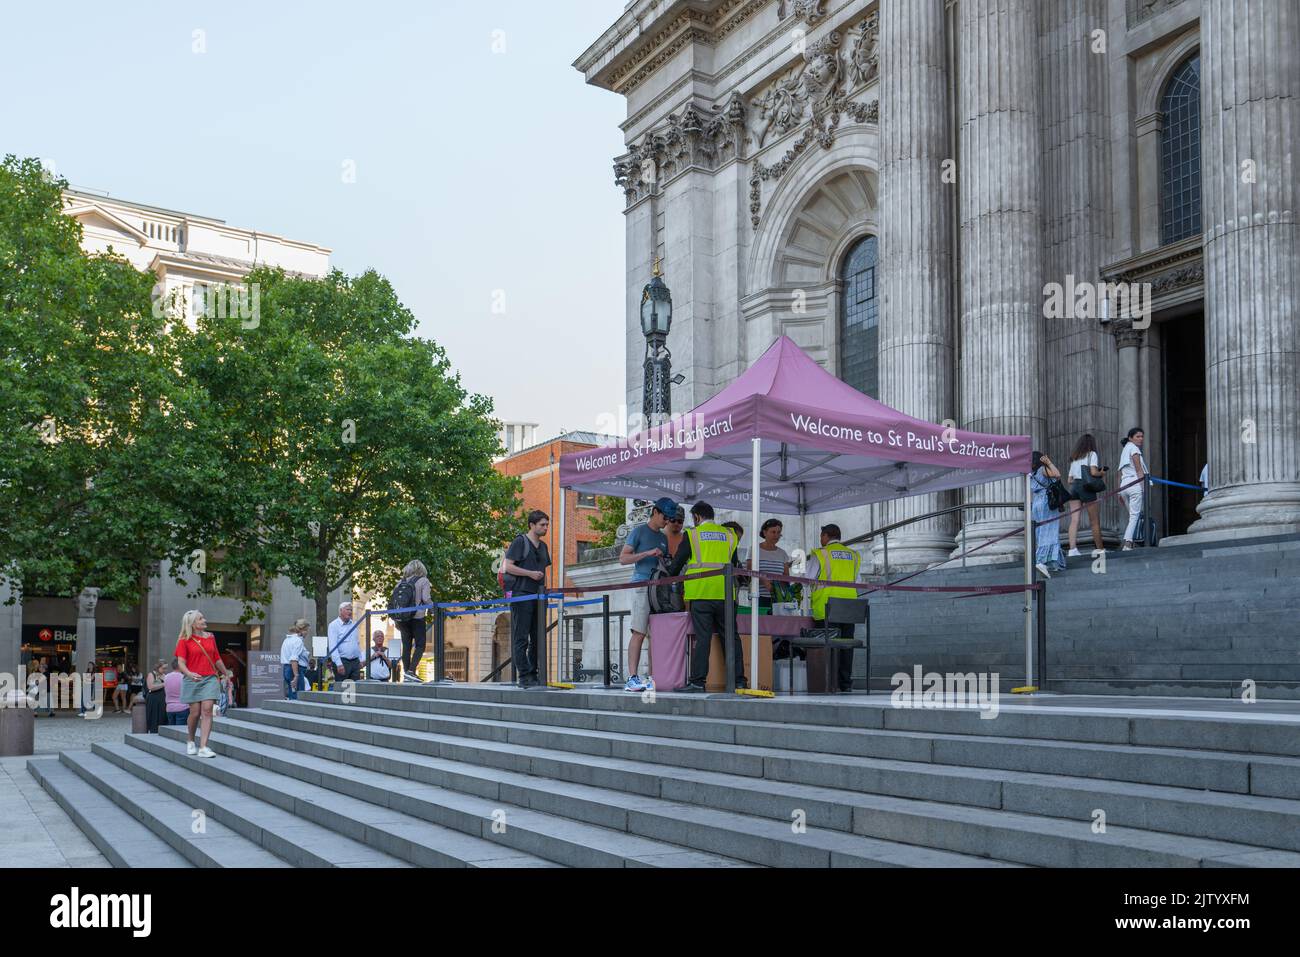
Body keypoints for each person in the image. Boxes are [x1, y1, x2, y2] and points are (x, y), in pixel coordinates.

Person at [666, 502, 745, 693]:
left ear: (697, 517)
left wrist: (667, 576)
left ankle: (697, 682)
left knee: (703, 639)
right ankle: (739, 682)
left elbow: (677, 564)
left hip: (701, 594)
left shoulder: (692, 535)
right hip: (725, 594)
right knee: (731, 638)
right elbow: (734, 564)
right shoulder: (730, 535)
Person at [619, 496, 676, 692]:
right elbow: (623, 559)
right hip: (641, 585)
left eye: (670, 519)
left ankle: (653, 676)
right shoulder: (639, 532)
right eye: (665, 517)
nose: (667, 522)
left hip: (658, 589)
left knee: (656, 635)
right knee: (639, 631)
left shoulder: (663, 537)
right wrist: (646, 553)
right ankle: (632, 677)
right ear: (655, 512)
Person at [807, 525, 862, 693]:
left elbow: (808, 578)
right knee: (846, 646)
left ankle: (828, 682)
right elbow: (858, 580)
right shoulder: (854, 555)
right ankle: (845, 683)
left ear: (826, 536)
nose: (820, 540)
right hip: (850, 607)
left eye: (821, 536)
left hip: (826, 607)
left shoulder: (820, 554)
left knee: (827, 647)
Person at [174, 610, 235, 758]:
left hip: (210, 678)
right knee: (194, 713)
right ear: (193, 624)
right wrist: (189, 674)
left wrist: (226, 673)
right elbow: (180, 663)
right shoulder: (184, 640)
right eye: (200, 618)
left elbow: (216, 658)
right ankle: (190, 740)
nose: (204, 620)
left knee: (207, 710)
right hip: (193, 679)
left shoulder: (210, 637)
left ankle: (203, 747)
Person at [502, 510, 552, 688]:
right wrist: (530, 574)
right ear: (532, 525)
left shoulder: (544, 547)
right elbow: (508, 566)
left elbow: (544, 569)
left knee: (538, 636)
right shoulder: (520, 541)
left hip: (539, 596)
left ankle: (534, 673)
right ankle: (523, 675)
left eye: (547, 525)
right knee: (521, 637)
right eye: (542, 525)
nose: (545, 528)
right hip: (522, 595)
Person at [1066, 433, 1106, 556]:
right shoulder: (1092, 454)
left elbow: (1069, 480)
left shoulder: (1075, 458)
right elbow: (1093, 472)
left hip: (1074, 488)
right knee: (1094, 521)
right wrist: (1102, 473)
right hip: (1086, 488)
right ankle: (1100, 549)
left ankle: (1072, 550)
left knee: (1074, 520)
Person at [395, 561, 433, 679]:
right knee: (420, 645)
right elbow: (426, 598)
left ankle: (407, 673)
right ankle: (411, 671)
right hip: (417, 617)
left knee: (406, 646)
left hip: (402, 619)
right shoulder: (423, 581)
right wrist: (433, 608)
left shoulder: (399, 583)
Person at [1031, 452, 1066, 577]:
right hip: (1047, 502)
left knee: (1042, 532)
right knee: (1050, 530)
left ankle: (1056, 563)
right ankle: (1041, 561)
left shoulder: (1031, 473)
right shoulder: (1042, 470)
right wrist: (1049, 463)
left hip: (1036, 503)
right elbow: (1057, 474)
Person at [1119, 427, 1148, 550]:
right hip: (1134, 484)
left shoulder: (1125, 450)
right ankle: (1128, 543)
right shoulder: (1134, 449)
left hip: (1123, 486)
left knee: (1133, 516)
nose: (1141, 439)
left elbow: (1119, 472)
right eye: (1138, 436)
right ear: (1130, 437)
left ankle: (1131, 542)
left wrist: (1119, 492)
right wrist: (1143, 488)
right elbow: (1138, 469)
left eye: (1142, 436)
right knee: (1134, 516)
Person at [755, 519, 791, 612]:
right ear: (765, 532)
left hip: (778, 599)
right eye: (773, 532)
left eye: (779, 532)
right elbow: (749, 572)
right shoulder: (754, 549)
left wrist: (778, 588)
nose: (776, 535)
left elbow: (786, 577)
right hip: (759, 597)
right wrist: (763, 580)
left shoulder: (783, 553)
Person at [328, 601, 361, 685]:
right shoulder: (334, 625)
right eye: (347, 609)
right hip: (343, 661)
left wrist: (360, 659)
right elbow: (333, 646)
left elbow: (357, 643)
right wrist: (339, 664)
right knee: (342, 690)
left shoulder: (353, 624)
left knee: (354, 690)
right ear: (341, 610)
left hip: (355, 662)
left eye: (351, 610)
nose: (350, 612)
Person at [280, 619, 311, 700]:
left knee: (292, 694)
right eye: (306, 630)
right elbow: (294, 659)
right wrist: (296, 676)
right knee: (299, 696)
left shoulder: (287, 640)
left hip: (287, 668)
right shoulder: (298, 641)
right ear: (302, 630)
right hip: (295, 670)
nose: (307, 633)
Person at [144, 660, 168, 733]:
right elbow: (150, 687)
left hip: (162, 699)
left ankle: (162, 731)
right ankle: (153, 730)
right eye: (163, 668)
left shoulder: (164, 676)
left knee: (162, 716)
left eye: (166, 668)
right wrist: (164, 684)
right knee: (153, 716)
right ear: (158, 667)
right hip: (153, 699)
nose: (165, 670)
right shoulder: (151, 674)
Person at [163, 659, 187, 726]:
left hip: (169, 708)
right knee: (180, 730)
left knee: (171, 731)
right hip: (182, 707)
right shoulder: (184, 677)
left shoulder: (166, 677)